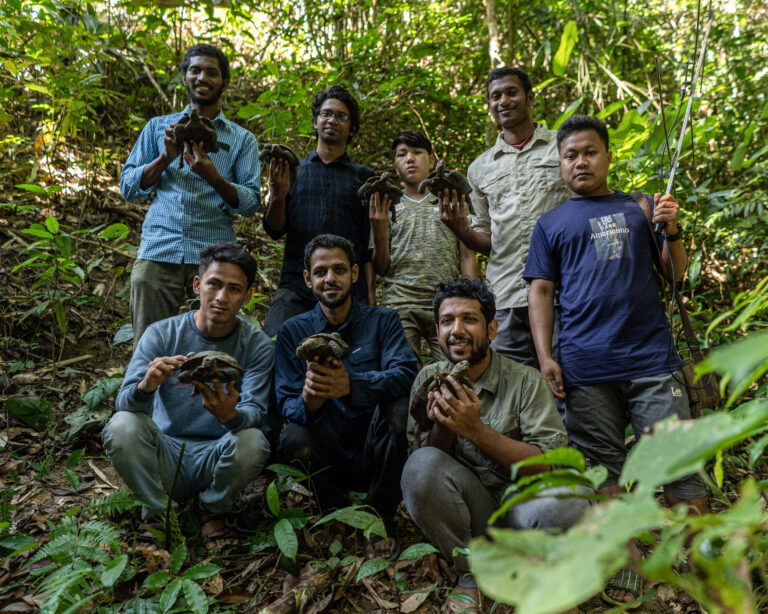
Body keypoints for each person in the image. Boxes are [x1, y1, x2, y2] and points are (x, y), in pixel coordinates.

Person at [524, 115, 708, 606]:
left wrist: (669, 228)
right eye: (570, 155)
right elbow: (540, 291)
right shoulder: (551, 223)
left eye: (589, 152)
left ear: (607, 156)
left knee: (678, 464)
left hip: (650, 359)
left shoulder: (640, 206)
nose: (580, 161)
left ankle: (704, 557)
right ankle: (626, 557)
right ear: (560, 164)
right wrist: (546, 356)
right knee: (603, 469)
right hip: (585, 366)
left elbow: (676, 274)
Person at [401, 277, 588, 611]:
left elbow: (552, 466)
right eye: (447, 321)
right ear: (438, 330)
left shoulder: (525, 380)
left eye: (469, 319)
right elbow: (425, 475)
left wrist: (476, 430)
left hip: (523, 515)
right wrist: (444, 425)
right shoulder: (427, 379)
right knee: (418, 465)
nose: (456, 330)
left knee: (570, 498)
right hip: (472, 518)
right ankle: (472, 575)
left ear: (491, 330)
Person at [103, 243, 274, 551]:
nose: (222, 297)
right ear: (198, 285)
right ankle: (158, 515)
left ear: (247, 296)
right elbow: (124, 404)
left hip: (218, 457)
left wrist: (229, 415)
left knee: (253, 440)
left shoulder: (256, 344)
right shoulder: (161, 334)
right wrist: (147, 385)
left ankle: (213, 511)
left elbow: (256, 411)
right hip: (167, 457)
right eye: (214, 284)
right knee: (122, 426)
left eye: (234, 289)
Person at [274, 234, 418, 554]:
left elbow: (408, 374)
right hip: (327, 455)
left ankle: (379, 515)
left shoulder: (384, 321)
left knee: (401, 409)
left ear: (354, 274)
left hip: (376, 451)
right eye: (321, 271)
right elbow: (285, 402)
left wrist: (352, 385)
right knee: (293, 437)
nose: (330, 278)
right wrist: (309, 402)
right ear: (308, 280)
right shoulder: (292, 332)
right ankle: (337, 513)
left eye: (339, 269)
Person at [121, 44, 261, 346]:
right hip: (160, 247)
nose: (203, 78)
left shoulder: (241, 139)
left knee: (213, 348)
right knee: (149, 346)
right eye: (195, 70)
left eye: (212, 72)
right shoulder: (158, 128)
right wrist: (163, 158)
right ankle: (148, 392)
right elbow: (127, 187)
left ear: (224, 82)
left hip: (215, 253)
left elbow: (251, 203)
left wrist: (213, 176)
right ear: (184, 77)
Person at [439, 67, 570, 367]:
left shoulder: (561, 147)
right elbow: (486, 240)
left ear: (530, 97)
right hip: (506, 296)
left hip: (561, 294)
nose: (503, 101)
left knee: (566, 385)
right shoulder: (480, 168)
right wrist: (461, 229)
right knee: (511, 392)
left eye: (511, 92)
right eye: (495, 96)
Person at [262, 86, 376, 337]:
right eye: (326, 114)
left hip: (347, 288)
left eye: (341, 116)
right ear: (315, 121)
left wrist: (370, 292)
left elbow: (367, 243)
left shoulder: (365, 178)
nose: (332, 120)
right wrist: (278, 196)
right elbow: (274, 229)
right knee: (273, 345)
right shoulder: (295, 171)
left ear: (352, 128)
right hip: (296, 283)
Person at [369, 130, 478, 367]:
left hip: (446, 303)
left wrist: (470, 298)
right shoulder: (386, 205)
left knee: (454, 371)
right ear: (395, 165)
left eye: (418, 153)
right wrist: (379, 232)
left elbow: (467, 255)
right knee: (404, 373)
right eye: (402, 154)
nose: (410, 159)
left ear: (431, 161)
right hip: (400, 304)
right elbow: (381, 267)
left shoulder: (451, 200)